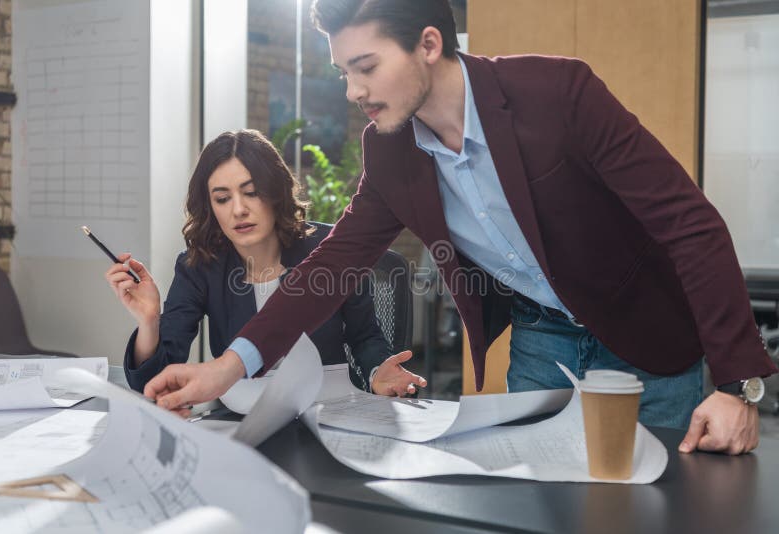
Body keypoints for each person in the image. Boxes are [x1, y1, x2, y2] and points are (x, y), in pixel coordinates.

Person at [144, 0, 776, 454]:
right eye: (343, 72)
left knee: (665, 510)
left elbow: (691, 226)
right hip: (541, 346)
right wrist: (226, 368)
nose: (352, 91)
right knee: (540, 507)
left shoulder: (560, 94)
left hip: (649, 338)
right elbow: (330, 267)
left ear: (427, 43)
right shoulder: (390, 150)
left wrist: (735, 386)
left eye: (365, 66)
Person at [105, 129, 425, 411]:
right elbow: (153, 384)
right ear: (210, 206)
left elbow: (365, 337)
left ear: (275, 191)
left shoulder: (331, 252)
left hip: (329, 408)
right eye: (222, 198)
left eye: (251, 192)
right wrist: (149, 322)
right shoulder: (199, 266)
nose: (239, 210)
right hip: (241, 417)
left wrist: (377, 371)